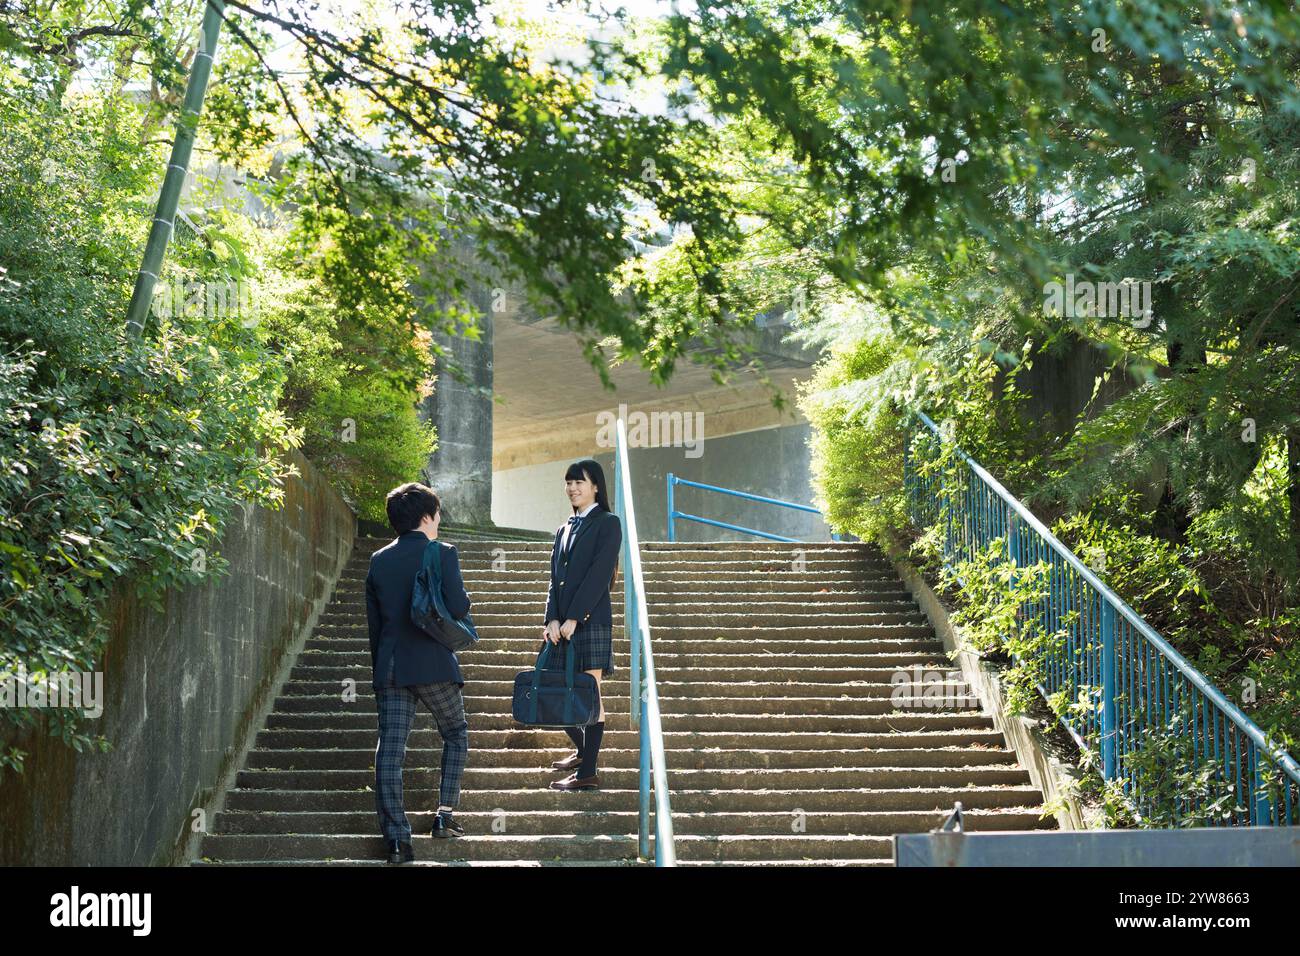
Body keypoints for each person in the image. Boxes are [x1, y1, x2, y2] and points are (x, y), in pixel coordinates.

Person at [365, 482, 471, 864]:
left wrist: (381, 671)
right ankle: (444, 816)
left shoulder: (378, 559)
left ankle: (396, 840)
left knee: (390, 751)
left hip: (392, 667)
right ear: (426, 516)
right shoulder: (441, 553)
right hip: (434, 665)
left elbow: (375, 626)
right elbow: (457, 606)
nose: (439, 520)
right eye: (438, 513)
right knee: (455, 733)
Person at [541, 459, 622, 791]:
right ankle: (582, 750)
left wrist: (575, 617)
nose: (573, 488)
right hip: (561, 626)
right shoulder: (564, 528)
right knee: (552, 690)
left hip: (591, 621)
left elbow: (600, 574)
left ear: (596, 487)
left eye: (580, 482)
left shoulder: (608, 523)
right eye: (569, 482)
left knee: (590, 697)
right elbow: (554, 580)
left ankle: (587, 771)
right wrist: (552, 619)